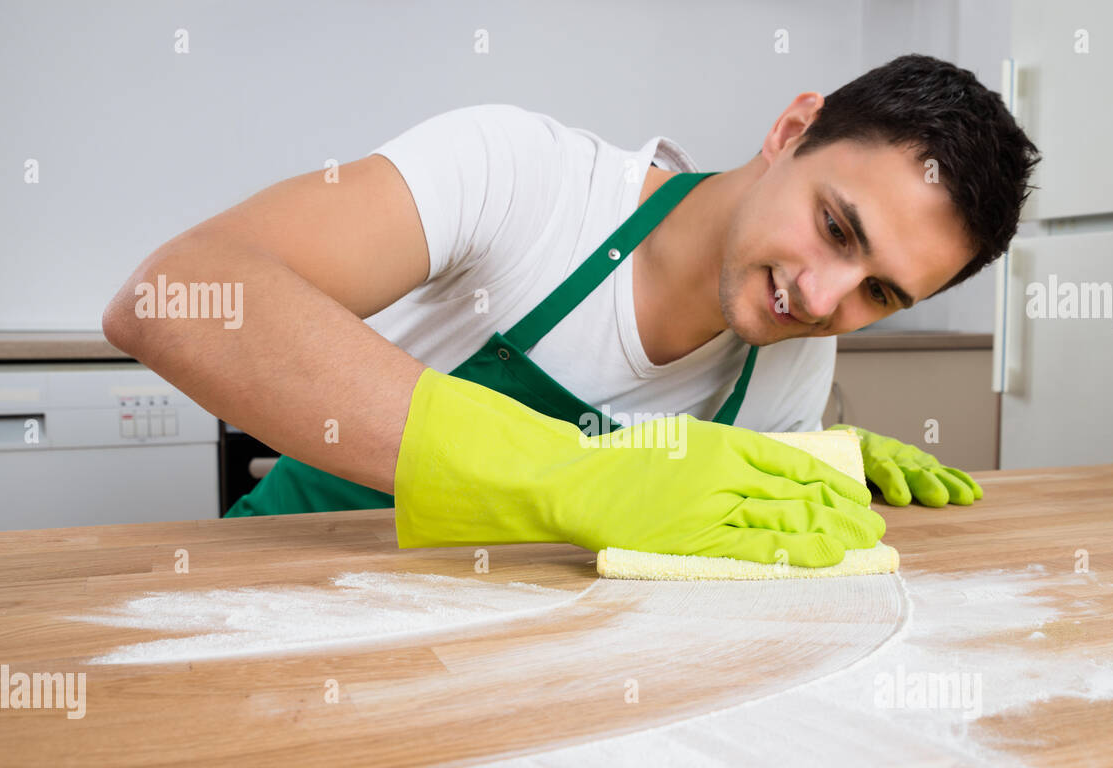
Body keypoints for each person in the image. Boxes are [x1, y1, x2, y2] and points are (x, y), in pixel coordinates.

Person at [102, 54, 1040, 568]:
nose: (823, 298)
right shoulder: (525, 178)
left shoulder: (796, 361)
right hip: (271, 589)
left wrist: (809, 461)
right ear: (792, 131)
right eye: (836, 226)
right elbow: (171, 297)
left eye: (880, 292)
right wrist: (568, 474)